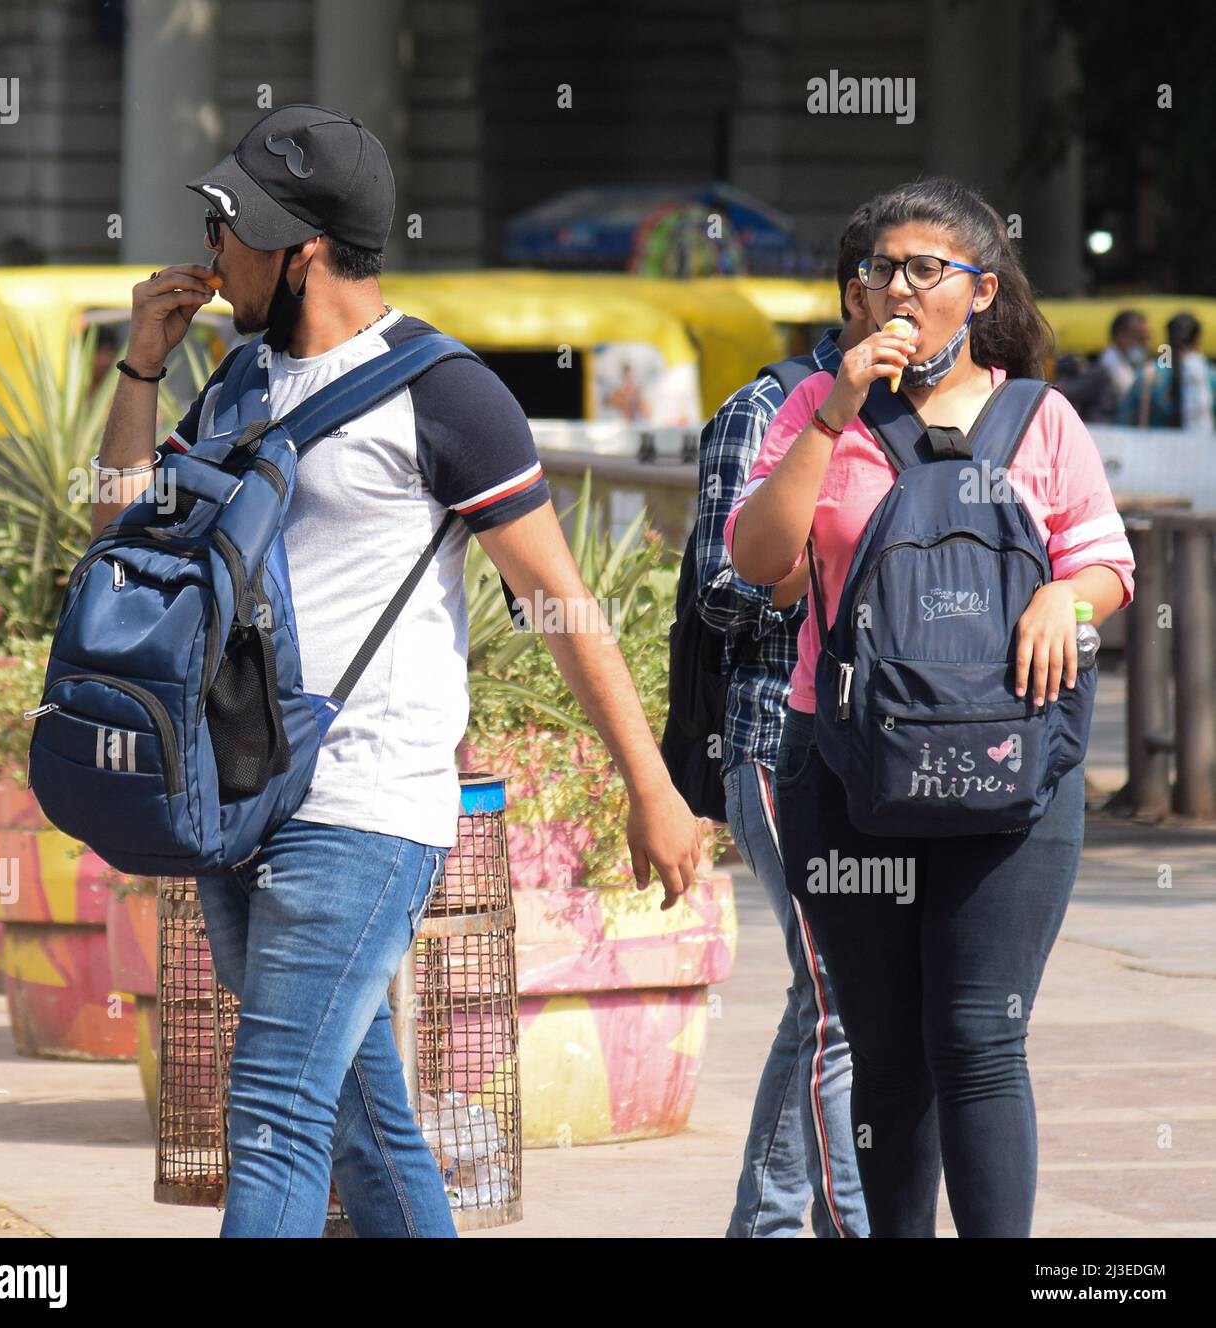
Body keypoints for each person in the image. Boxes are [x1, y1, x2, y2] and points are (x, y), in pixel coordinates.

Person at [89, 104, 702, 1238]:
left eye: (232, 230)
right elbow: (118, 528)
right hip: (239, 799)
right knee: (367, 1126)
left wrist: (651, 787)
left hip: (364, 802)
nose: (213, 255)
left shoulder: (445, 393)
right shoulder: (234, 381)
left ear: (301, 246)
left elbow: (562, 607)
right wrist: (141, 367)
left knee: (271, 1109)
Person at [726, 177, 1135, 1237]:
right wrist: (834, 410)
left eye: (924, 269)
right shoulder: (817, 414)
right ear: (854, 294)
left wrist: (1062, 594)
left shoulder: (1037, 418)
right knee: (885, 1045)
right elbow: (759, 561)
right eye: (878, 270)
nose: (896, 288)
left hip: (1013, 770)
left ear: (979, 289)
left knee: (978, 1034)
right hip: (845, 767)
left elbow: (1107, 565)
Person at [695, 206, 871, 1238]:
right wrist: (822, 570)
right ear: (855, 292)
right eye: (889, 277)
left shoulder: (939, 413)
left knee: (832, 999)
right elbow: (722, 589)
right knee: (835, 996)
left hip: (888, 748)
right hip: (774, 734)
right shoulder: (768, 407)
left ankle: (765, 1222)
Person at [1120, 312, 1216, 432]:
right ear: (1196, 341)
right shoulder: (1210, 378)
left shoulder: (1148, 375)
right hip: (1202, 449)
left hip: (1152, 448)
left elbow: (1125, 421)